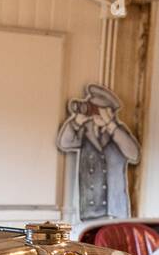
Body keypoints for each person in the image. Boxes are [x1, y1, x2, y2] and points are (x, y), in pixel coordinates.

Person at [56, 83, 141, 221]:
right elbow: (64, 143)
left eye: (98, 110)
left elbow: (134, 155)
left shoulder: (118, 132)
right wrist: (76, 123)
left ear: (110, 112)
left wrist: (110, 125)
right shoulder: (85, 131)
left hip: (115, 208)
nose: (94, 114)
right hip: (90, 209)